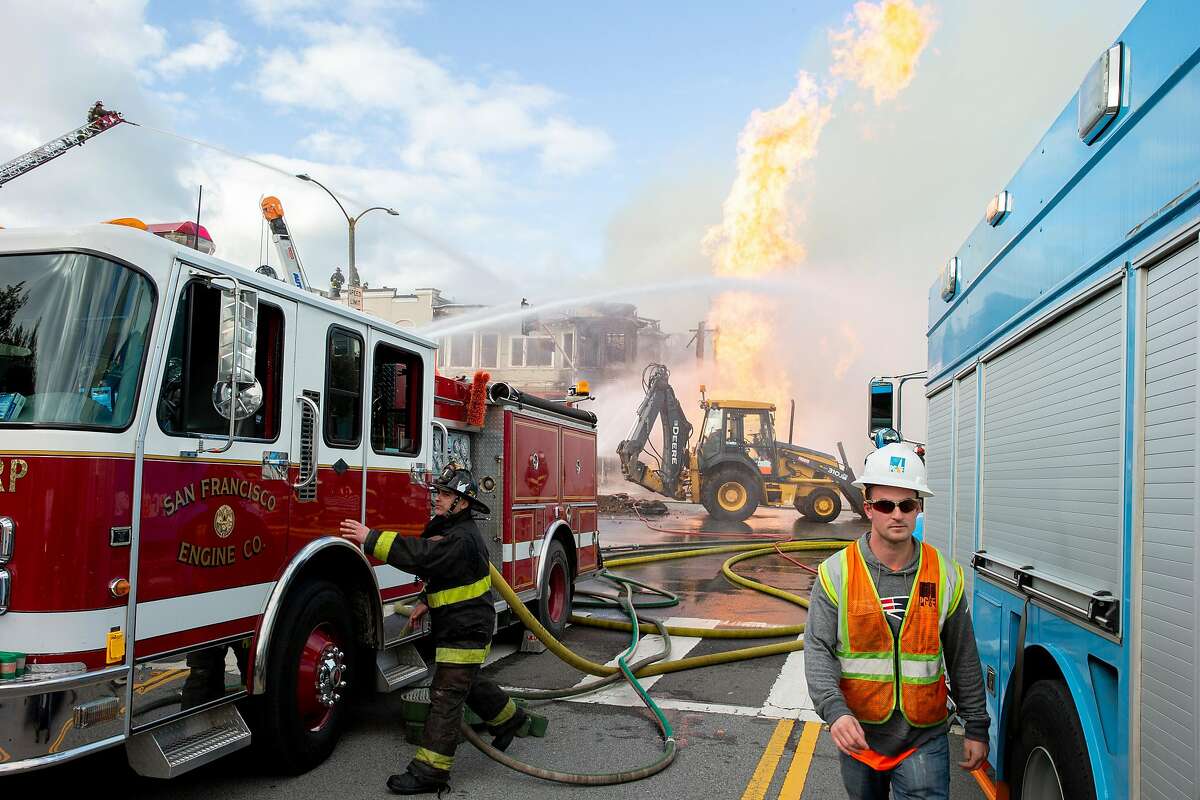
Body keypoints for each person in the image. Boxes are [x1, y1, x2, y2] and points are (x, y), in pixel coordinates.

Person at [805, 442, 990, 799]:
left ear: (918, 507)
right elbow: (818, 649)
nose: (897, 515)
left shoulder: (945, 575)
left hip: (924, 736)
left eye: (907, 505)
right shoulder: (836, 573)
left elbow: (962, 654)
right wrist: (835, 711)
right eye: (886, 505)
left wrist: (977, 727)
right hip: (859, 733)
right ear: (868, 507)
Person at [340, 465, 532, 796]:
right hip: (460, 622)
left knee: (445, 694)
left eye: (445, 495)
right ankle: (508, 718)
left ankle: (430, 771)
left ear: (463, 503)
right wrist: (424, 601)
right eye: (439, 493)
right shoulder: (452, 529)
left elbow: (423, 557)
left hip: (466, 627)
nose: (438, 500)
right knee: (466, 682)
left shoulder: (462, 539)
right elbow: (447, 576)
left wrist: (370, 538)